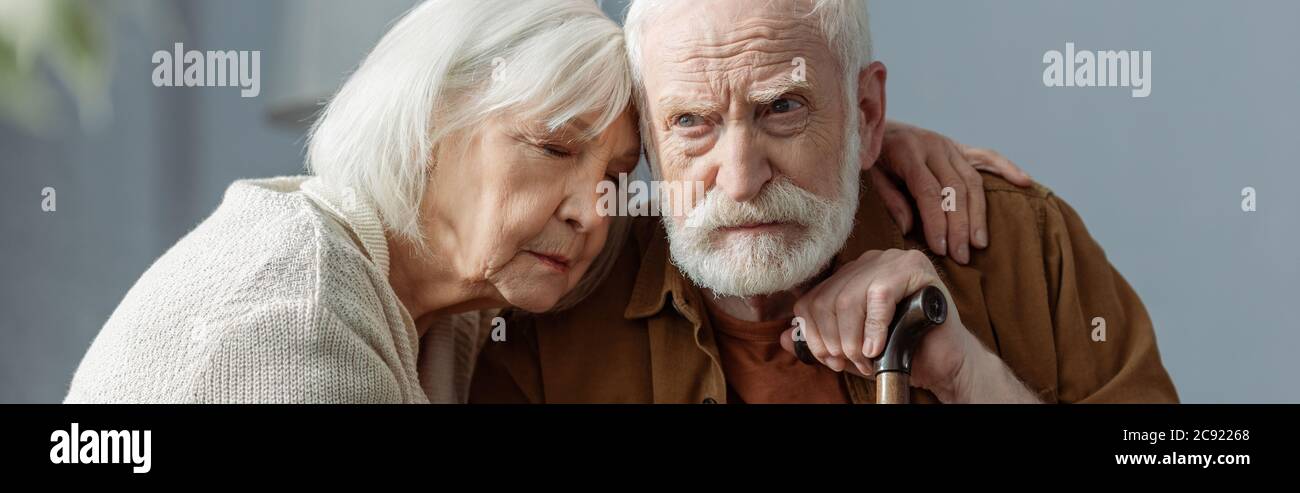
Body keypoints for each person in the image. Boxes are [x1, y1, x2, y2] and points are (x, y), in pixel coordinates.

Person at [64, 0, 1026, 404]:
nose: (593, 212)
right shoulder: (298, 311)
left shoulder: (448, 304)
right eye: (553, 148)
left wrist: (863, 146)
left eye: (615, 173)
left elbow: (720, 135)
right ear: (429, 121)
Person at [469, 0, 1178, 404]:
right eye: (692, 122)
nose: (740, 179)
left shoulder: (1015, 238)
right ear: (648, 139)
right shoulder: (547, 315)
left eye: (782, 108)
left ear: (867, 114)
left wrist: (972, 378)